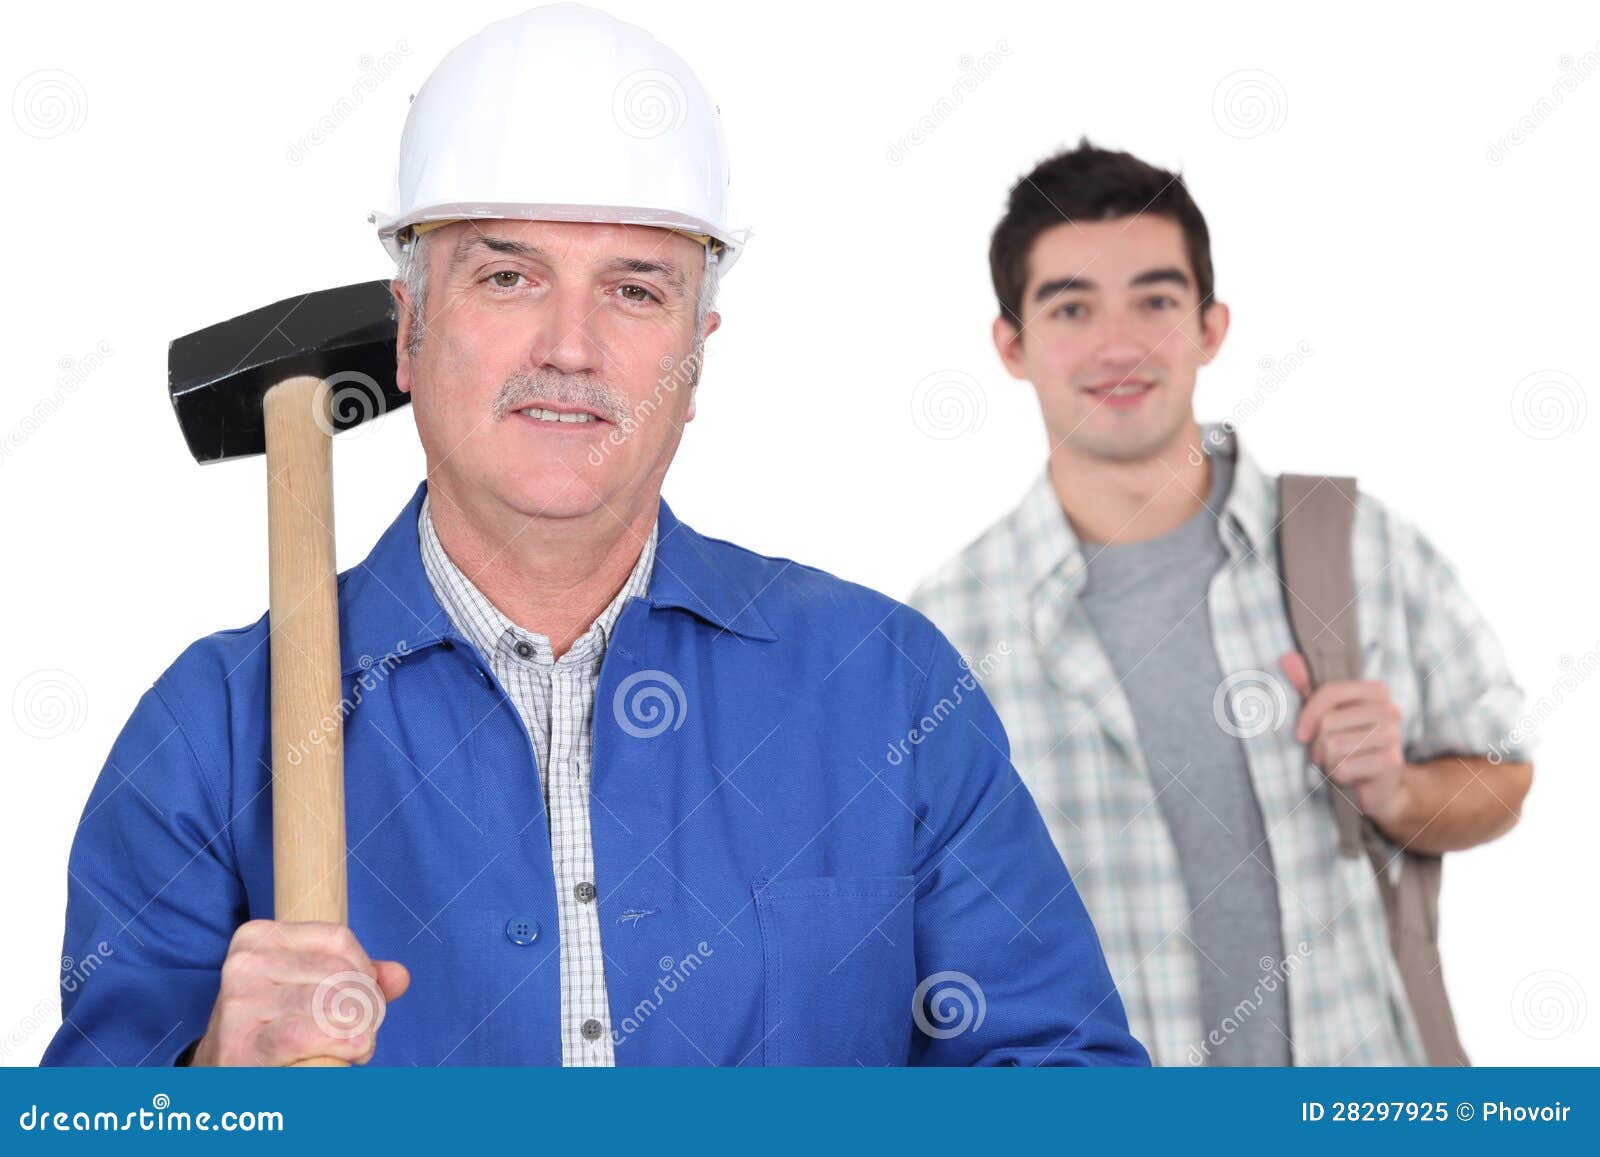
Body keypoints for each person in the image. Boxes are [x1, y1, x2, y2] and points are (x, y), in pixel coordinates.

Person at [41, 8, 1146, 1069]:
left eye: (634, 289)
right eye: (508, 276)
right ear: (410, 332)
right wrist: (208, 1082)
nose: (569, 346)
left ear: (696, 353)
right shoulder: (213, 731)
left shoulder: (886, 688)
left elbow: (1070, 1081)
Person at [910, 139, 1533, 1066]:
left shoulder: (1356, 545)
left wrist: (1399, 792)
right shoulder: (946, 633)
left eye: (1156, 301)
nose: (1119, 344)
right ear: (1012, 345)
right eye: (1072, 307)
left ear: (1211, 327)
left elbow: (1504, 774)